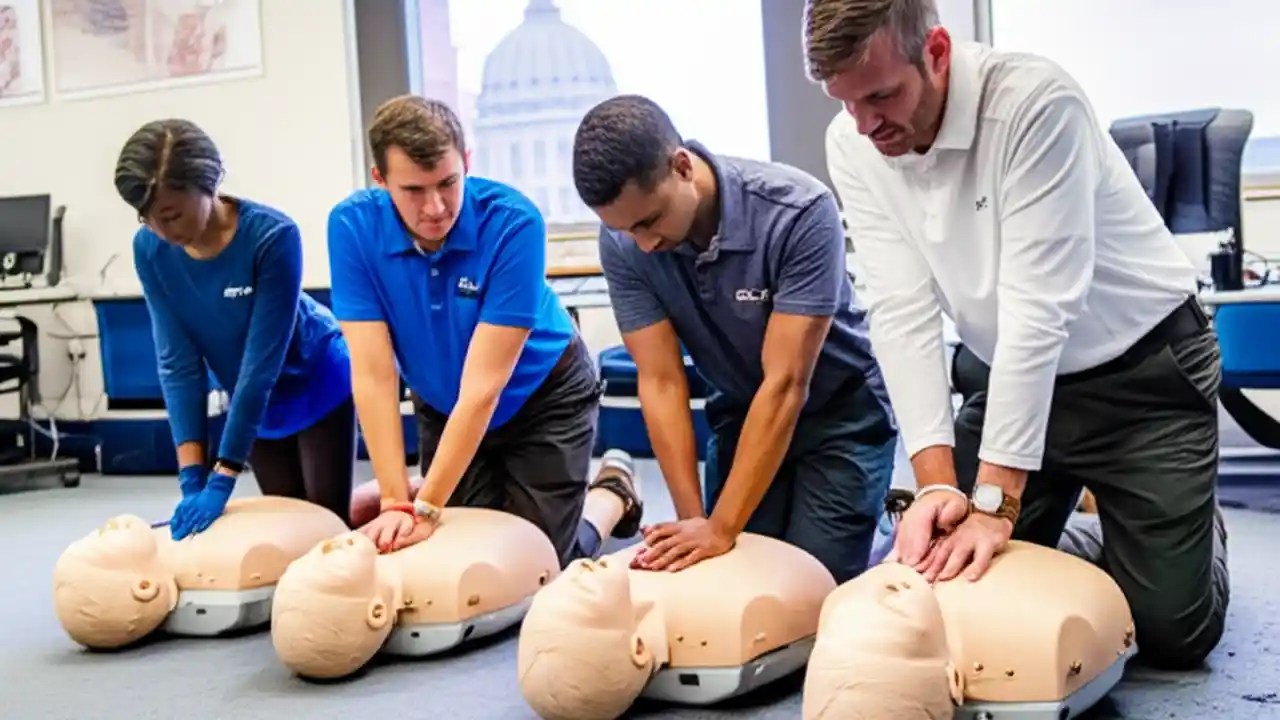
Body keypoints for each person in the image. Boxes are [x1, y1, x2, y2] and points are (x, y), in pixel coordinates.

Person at [804, 0, 1228, 668]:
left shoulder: (1034, 104)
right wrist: (937, 487)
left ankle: (1193, 531)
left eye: (882, 96)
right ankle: (1101, 534)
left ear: (938, 52)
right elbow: (901, 309)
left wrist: (996, 504)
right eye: (845, 102)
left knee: (1171, 634)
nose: (864, 125)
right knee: (939, 571)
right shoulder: (852, 139)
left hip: (1143, 382)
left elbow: (1038, 311)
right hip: (1007, 380)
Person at [571, 94, 899, 584]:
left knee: (808, 585)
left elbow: (786, 384)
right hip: (743, 410)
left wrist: (722, 526)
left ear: (681, 166)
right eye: (624, 229)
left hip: (840, 414)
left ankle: (893, 522)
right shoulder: (624, 239)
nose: (643, 243)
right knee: (735, 576)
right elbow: (661, 381)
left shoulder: (799, 211)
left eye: (649, 221)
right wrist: (695, 523)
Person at [326, 95, 643, 567]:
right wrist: (395, 502)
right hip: (442, 399)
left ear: (467, 162)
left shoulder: (513, 222)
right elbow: (373, 375)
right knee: (460, 551)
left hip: (542, 396)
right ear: (380, 180)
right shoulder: (352, 226)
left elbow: (483, 388)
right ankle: (418, 486)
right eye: (414, 190)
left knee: (536, 563)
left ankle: (612, 491)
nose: (435, 207)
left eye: (449, 183)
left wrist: (427, 506)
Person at [114, 118, 356, 538]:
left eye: (171, 215)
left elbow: (260, 365)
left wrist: (224, 474)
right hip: (252, 400)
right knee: (287, 528)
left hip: (315, 378)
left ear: (207, 185)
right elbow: (178, 363)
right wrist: (193, 476)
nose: (161, 230)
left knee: (328, 528)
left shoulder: (272, 236)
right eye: (147, 218)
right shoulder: (151, 250)